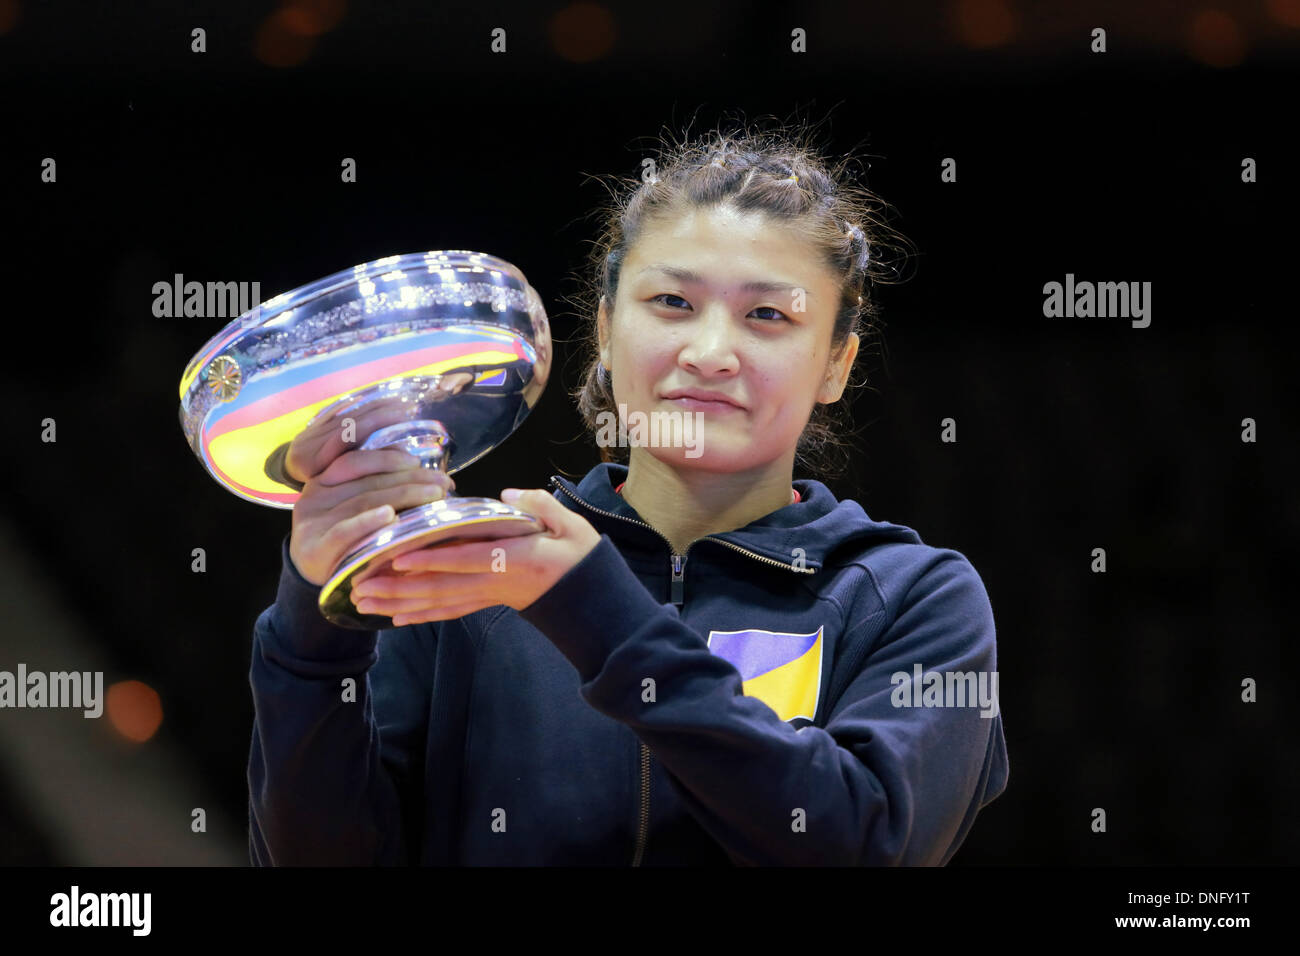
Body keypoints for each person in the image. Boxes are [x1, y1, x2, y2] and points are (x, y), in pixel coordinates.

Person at [247, 121, 1009, 866]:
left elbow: (862, 842)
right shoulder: (466, 580)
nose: (709, 353)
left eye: (767, 315)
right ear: (606, 333)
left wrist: (593, 609)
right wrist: (312, 630)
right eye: (672, 303)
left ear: (836, 364)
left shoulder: (913, 599)